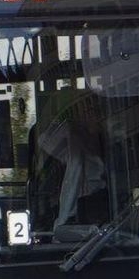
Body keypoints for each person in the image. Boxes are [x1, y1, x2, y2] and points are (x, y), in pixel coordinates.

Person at [38, 90, 109, 228]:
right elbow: (44, 140)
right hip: (73, 216)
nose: (92, 115)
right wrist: (69, 126)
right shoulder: (75, 144)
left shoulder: (112, 143)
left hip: (104, 214)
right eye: (87, 110)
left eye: (95, 111)